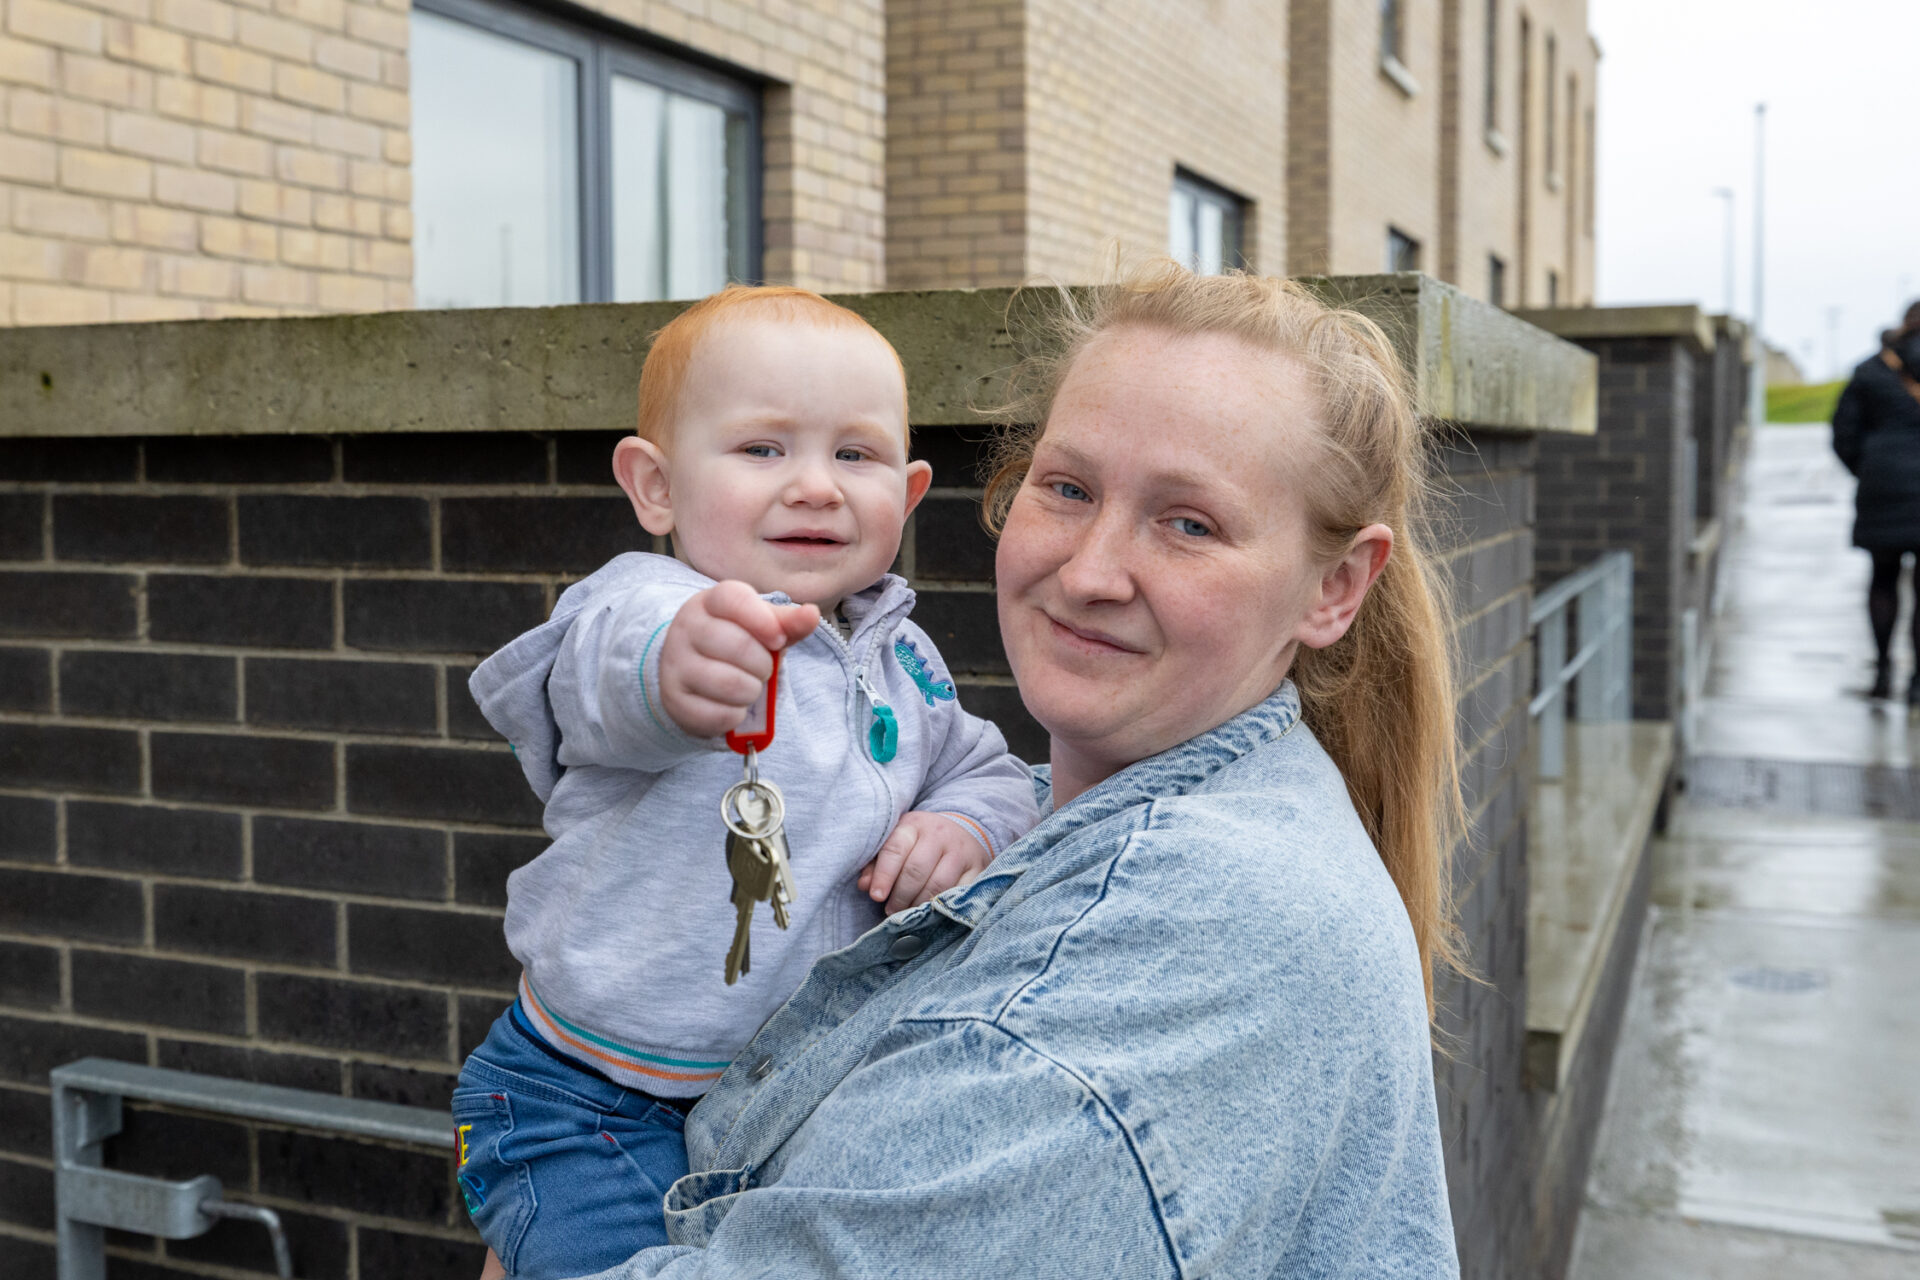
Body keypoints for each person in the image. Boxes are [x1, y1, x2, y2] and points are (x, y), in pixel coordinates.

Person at [532, 261, 1462, 1280]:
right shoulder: (1101, 812)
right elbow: (600, 658)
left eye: (1188, 522)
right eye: (1067, 488)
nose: (1091, 571)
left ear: (1333, 587)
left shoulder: (1182, 946)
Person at [457, 285, 1040, 1279]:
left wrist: (963, 824)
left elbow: (995, 772)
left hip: (797, 1102)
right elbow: (598, 674)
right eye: (763, 449)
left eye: (854, 454)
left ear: (905, 496)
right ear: (657, 487)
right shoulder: (654, 604)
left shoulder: (907, 660)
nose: (814, 485)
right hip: (586, 1100)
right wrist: (676, 669)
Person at [1832, 300, 1920, 703]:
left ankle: (1883, 672)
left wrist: (1868, 468)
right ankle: (1918, 681)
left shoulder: (1872, 369)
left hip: (1882, 486)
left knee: (1883, 579)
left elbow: (1843, 434)